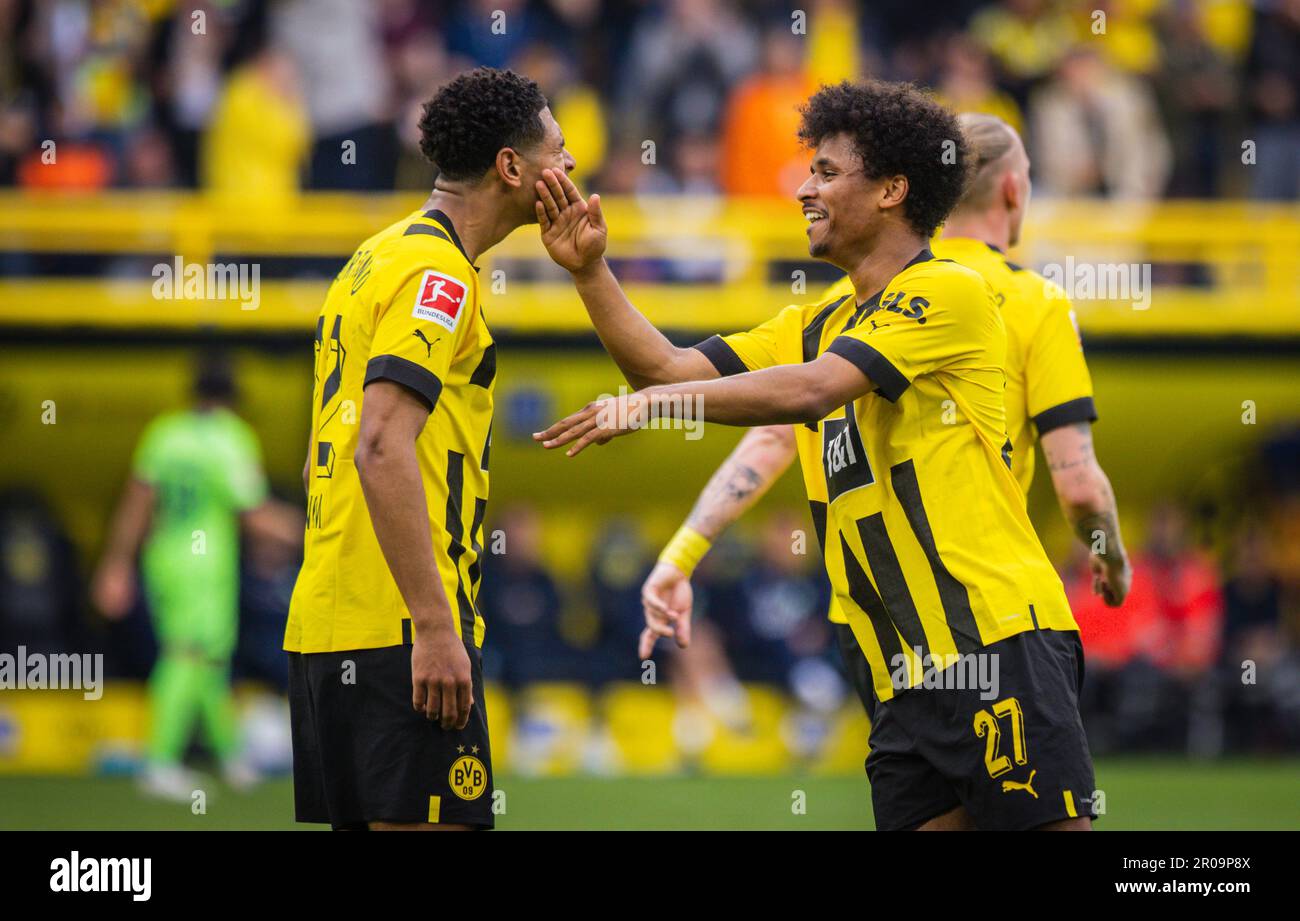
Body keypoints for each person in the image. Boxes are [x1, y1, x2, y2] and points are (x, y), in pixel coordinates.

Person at [533, 80, 1094, 830]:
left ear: (894, 189)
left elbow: (809, 394)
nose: (803, 188)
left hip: (993, 640)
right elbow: (662, 370)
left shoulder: (948, 293)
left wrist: (652, 408)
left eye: (827, 172)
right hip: (898, 671)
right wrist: (588, 272)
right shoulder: (815, 321)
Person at [640, 113, 1131, 722]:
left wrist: (681, 555)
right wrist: (1108, 552)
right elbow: (1079, 485)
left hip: (876, 631)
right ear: (1013, 189)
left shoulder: (854, 302)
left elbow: (772, 435)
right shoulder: (1030, 301)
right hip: (982, 606)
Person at [284, 67, 575, 830]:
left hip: (330, 620)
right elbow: (380, 444)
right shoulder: (438, 272)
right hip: (398, 628)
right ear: (512, 167)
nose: (572, 168)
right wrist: (435, 624)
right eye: (559, 149)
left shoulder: (371, 258)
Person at [92, 352, 300, 800]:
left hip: (164, 557)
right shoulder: (231, 438)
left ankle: (229, 756)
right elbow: (253, 513)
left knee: (207, 659)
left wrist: (116, 561)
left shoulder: (165, 433)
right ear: (232, 398)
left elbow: (136, 503)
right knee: (188, 655)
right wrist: (309, 530)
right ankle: (160, 762)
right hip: (205, 565)